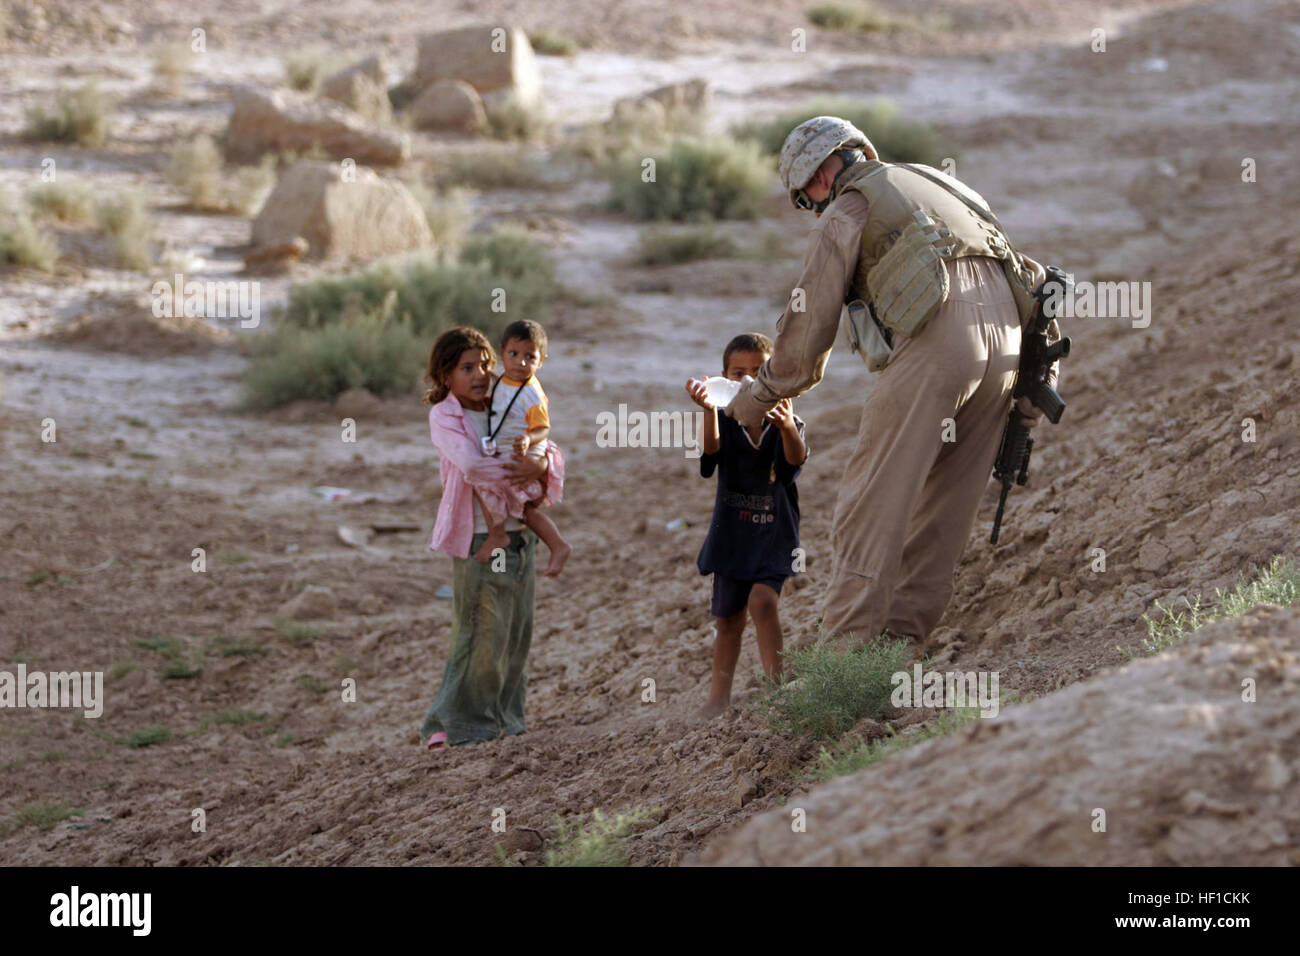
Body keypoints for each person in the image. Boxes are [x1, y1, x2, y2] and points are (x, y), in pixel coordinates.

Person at [724, 115, 1062, 647]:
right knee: (943, 514)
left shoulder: (848, 209)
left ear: (815, 180)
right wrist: (1030, 394)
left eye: (807, 199)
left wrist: (753, 400)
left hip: (940, 348)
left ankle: (847, 657)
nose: (814, 207)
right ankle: (901, 645)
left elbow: (807, 333)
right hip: (1010, 348)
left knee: (871, 507)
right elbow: (1030, 276)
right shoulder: (938, 181)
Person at [418, 326, 564, 751]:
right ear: (446, 376)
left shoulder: (504, 401)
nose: (481, 374)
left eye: (485, 364)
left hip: (520, 535)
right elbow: (472, 466)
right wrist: (525, 470)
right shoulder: (447, 416)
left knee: (517, 631)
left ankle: (506, 719)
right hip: (480, 536)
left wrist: (537, 462)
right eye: (468, 368)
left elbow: (548, 446)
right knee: (481, 630)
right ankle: (460, 724)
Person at [686, 332, 808, 716]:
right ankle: (717, 698)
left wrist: (787, 427)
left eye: (758, 373)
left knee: (763, 600)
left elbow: (793, 464)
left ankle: (777, 691)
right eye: (738, 374)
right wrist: (708, 410)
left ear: (774, 377)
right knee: (727, 620)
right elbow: (711, 457)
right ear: (723, 377)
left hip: (774, 531)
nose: (748, 381)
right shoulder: (723, 419)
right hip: (733, 533)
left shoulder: (785, 416)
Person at [472, 319, 571, 577]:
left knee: (521, 506)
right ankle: (504, 535)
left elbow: (543, 428)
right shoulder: (501, 381)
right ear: (502, 352)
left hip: (526, 452)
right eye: (514, 354)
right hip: (507, 448)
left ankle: (554, 544)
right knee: (497, 493)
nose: (521, 362)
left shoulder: (533, 394)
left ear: (542, 361)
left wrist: (529, 440)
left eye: (530, 356)